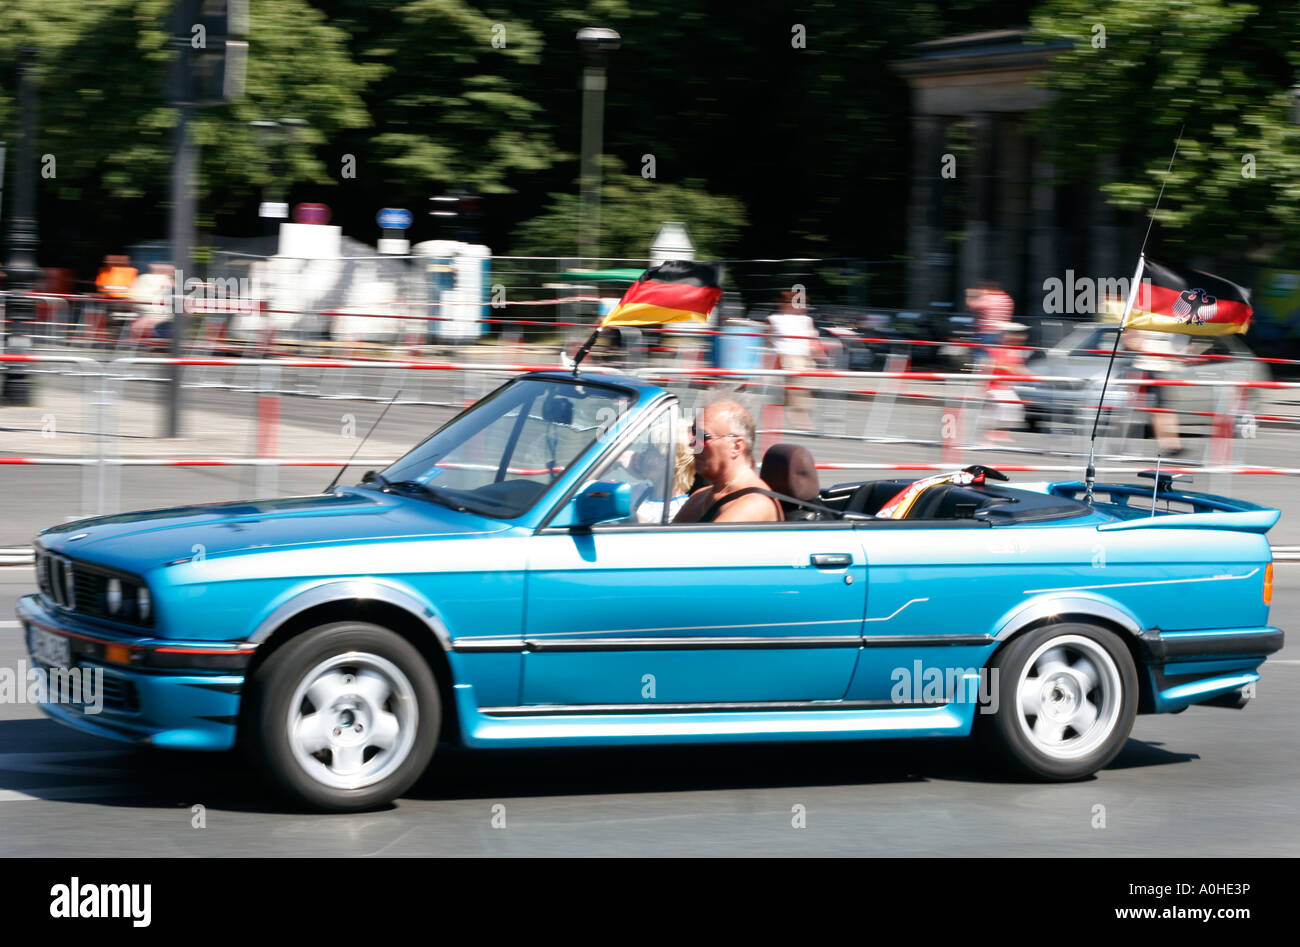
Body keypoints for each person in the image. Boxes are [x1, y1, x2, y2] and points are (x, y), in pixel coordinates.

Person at [673, 399, 783, 523]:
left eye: (702, 436)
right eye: (693, 434)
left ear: (736, 446)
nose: (692, 444)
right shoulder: (699, 496)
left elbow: (703, 541)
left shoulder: (756, 504)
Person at [767, 290, 817, 430]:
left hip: (803, 358)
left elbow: (811, 340)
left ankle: (779, 415)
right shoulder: (776, 319)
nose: (805, 306)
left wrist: (817, 353)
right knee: (797, 389)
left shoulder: (806, 320)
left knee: (794, 390)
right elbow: (769, 338)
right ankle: (800, 418)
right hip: (787, 357)